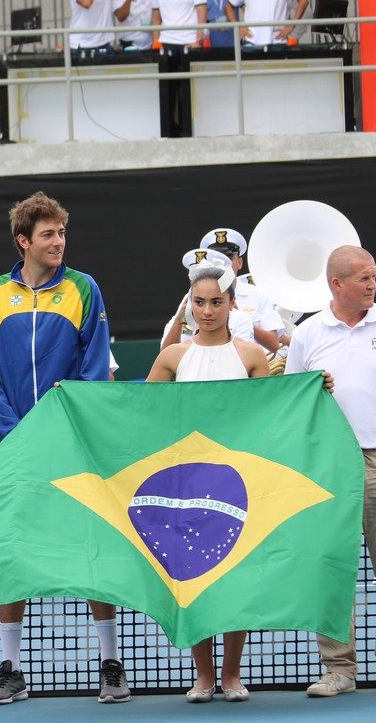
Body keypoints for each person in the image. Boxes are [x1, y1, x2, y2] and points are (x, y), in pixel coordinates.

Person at [0, 192, 127, 705]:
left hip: (72, 446)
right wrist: (16, 433)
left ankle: (110, 664)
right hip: (15, 447)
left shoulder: (85, 289)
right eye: (48, 235)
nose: (58, 242)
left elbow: (92, 366)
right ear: (24, 241)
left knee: (91, 549)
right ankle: (9, 669)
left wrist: (60, 430)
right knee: (14, 553)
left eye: (61, 233)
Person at [146, 262, 269, 703]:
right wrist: (80, 398)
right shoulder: (173, 357)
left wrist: (318, 386)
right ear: (189, 305)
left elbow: (274, 417)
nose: (208, 310)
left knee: (232, 579)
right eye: (200, 302)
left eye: (217, 302)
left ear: (233, 303)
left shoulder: (252, 355)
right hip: (185, 486)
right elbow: (137, 412)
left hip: (239, 486)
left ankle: (232, 674)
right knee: (192, 577)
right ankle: (203, 675)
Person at [287, 246, 376, 699]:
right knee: (331, 568)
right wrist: (313, 390)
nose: (372, 284)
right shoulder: (306, 334)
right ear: (336, 284)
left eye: (373, 276)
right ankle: (338, 669)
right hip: (330, 462)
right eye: (363, 278)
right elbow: (293, 401)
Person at [199, 227, 284, 352]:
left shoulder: (258, 295)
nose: (223, 263)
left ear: (239, 263)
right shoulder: (194, 296)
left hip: (252, 366)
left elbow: (273, 344)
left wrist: (242, 319)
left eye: (229, 258)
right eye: (218, 258)